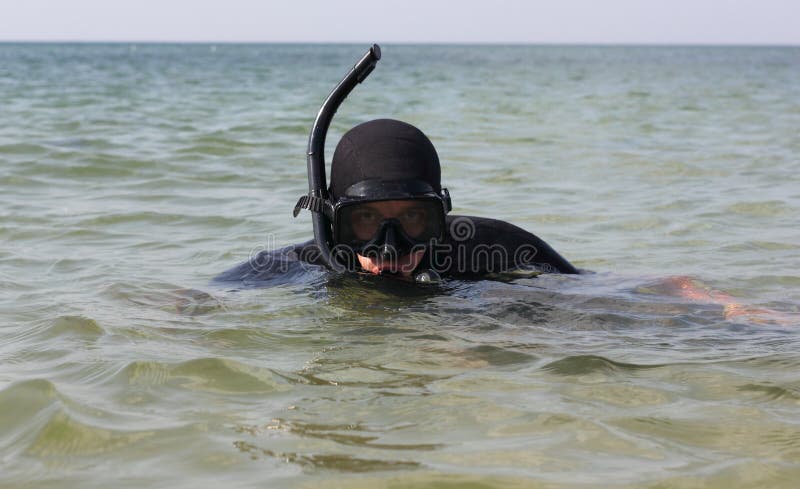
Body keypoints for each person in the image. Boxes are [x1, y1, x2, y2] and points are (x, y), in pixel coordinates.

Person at [215, 118, 579, 285]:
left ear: (440, 217)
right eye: (366, 220)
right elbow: (205, 299)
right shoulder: (301, 264)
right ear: (331, 222)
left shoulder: (490, 247)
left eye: (414, 219)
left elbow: (591, 294)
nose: (389, 248)